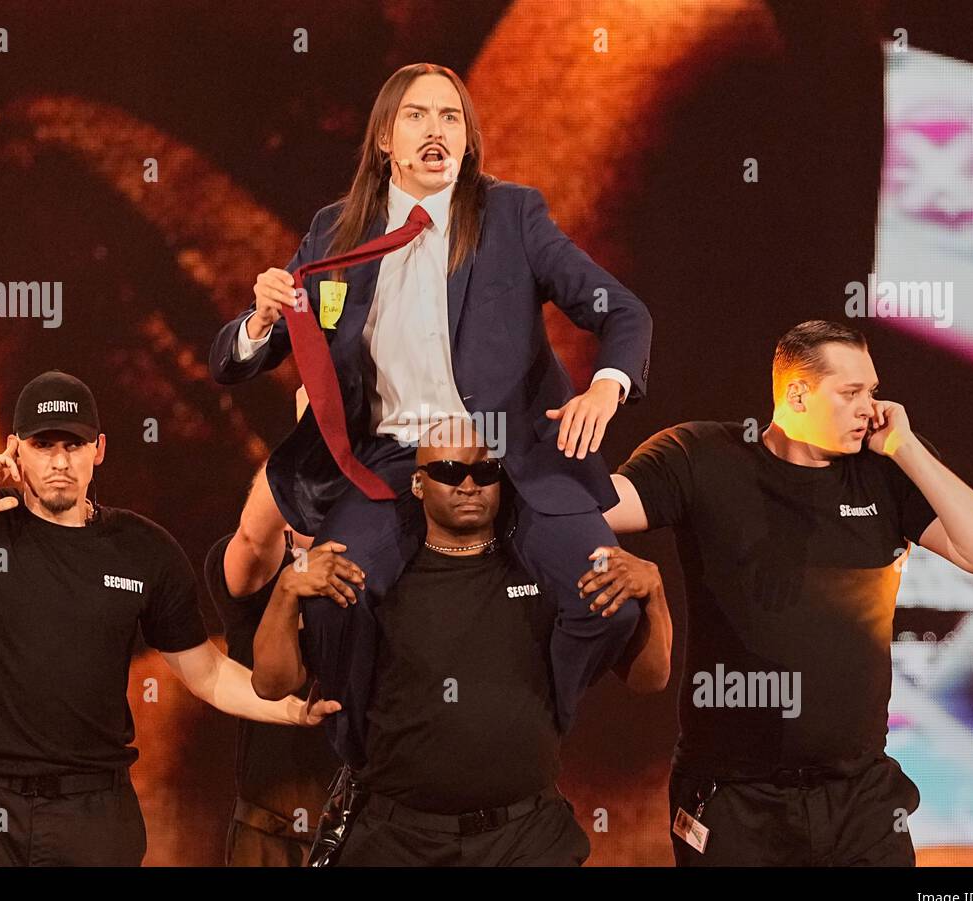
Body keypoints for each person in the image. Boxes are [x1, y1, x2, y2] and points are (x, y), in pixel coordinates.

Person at [209, 63, 654, 767]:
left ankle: (540, 720)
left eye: (451, 117)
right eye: (417, 116)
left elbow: (622, 313)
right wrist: (261, 321)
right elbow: (235, 360)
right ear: (387, 137)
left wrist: (606, 388)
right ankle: (364, 764)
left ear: (468, 138)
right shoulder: (336, 232)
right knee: (329, 605)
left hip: (514, 453)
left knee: (612, 607)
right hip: (388, 460)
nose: (436, 130)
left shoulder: (513, 216)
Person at [0, 370, 336, 866]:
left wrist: (290, 710)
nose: (59, 461)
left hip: (92, 812)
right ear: (14, 449)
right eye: (42, 444)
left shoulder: (144, 550)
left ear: (99, 450)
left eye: (73, 444)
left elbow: (207, 673)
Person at [604, 320, 973, 866]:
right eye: (851, 393)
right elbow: (596, 510)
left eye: (872, 390)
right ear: (797, 393)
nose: (871, 409)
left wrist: (907, 446)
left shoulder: (883, 472)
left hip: (861, 795)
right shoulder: (701, 455)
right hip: (735, 797)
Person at [253, 422, 671, 866]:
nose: (469, 485)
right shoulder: (371, 583)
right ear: (417, 483)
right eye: (449, 472)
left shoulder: (547, 578)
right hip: (398, 841)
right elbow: (272, 684)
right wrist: (285, 591)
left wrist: (656, 596)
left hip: (526, 839)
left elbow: (650, 679)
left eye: (485, 471)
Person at [204, 461, 340, 866]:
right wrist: (314, 429)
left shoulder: (381, 569)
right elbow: (253, 534)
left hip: (369, 830)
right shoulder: (256, 574)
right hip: (271, 838)